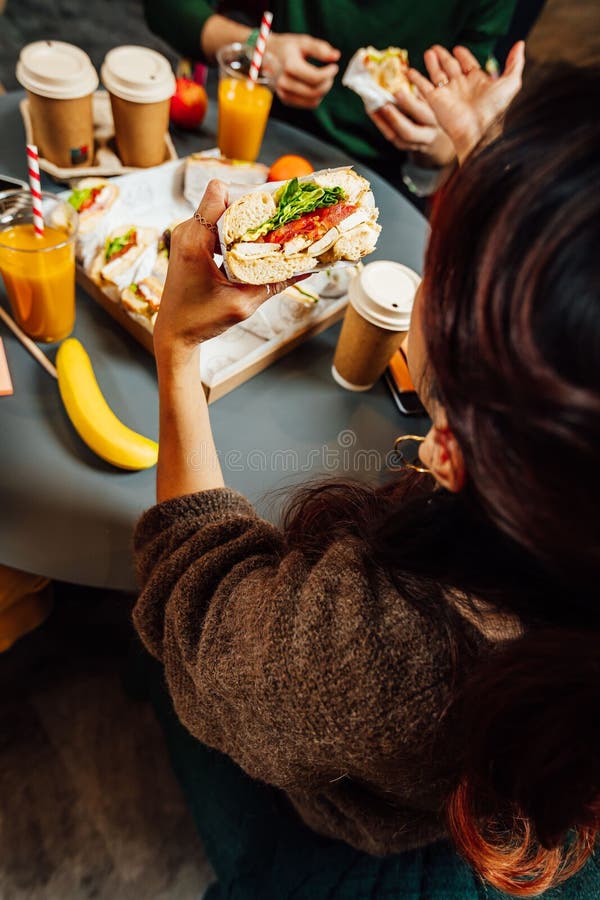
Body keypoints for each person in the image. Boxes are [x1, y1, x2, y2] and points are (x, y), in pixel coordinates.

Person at [132, 45, 600, 898]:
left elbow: (200, 617)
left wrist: (177, 351)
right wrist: (493, 151)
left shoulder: (396, 644)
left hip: (348, 832)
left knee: (153, 667)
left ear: (450, 446)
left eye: (448, 261)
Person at [143, 0, 517, 197]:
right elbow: (165, 8)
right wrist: (258, 46)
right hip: (265, 134)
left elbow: (446, 148)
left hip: (380, 176)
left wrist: (437, 144)